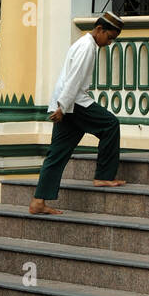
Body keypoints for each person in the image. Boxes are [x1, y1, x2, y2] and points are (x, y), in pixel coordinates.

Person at [29, 11, 126, 215]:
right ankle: (103, 176)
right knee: (110, 124)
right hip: (74, 103)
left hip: (66, 104)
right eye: (109, 38)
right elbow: (73, 79)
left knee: (57, 154)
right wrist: (63, 107)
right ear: (100, 29)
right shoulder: (87, 48)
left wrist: (61, 106)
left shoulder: (84, 44)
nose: (109, 43)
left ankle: (38, 202)